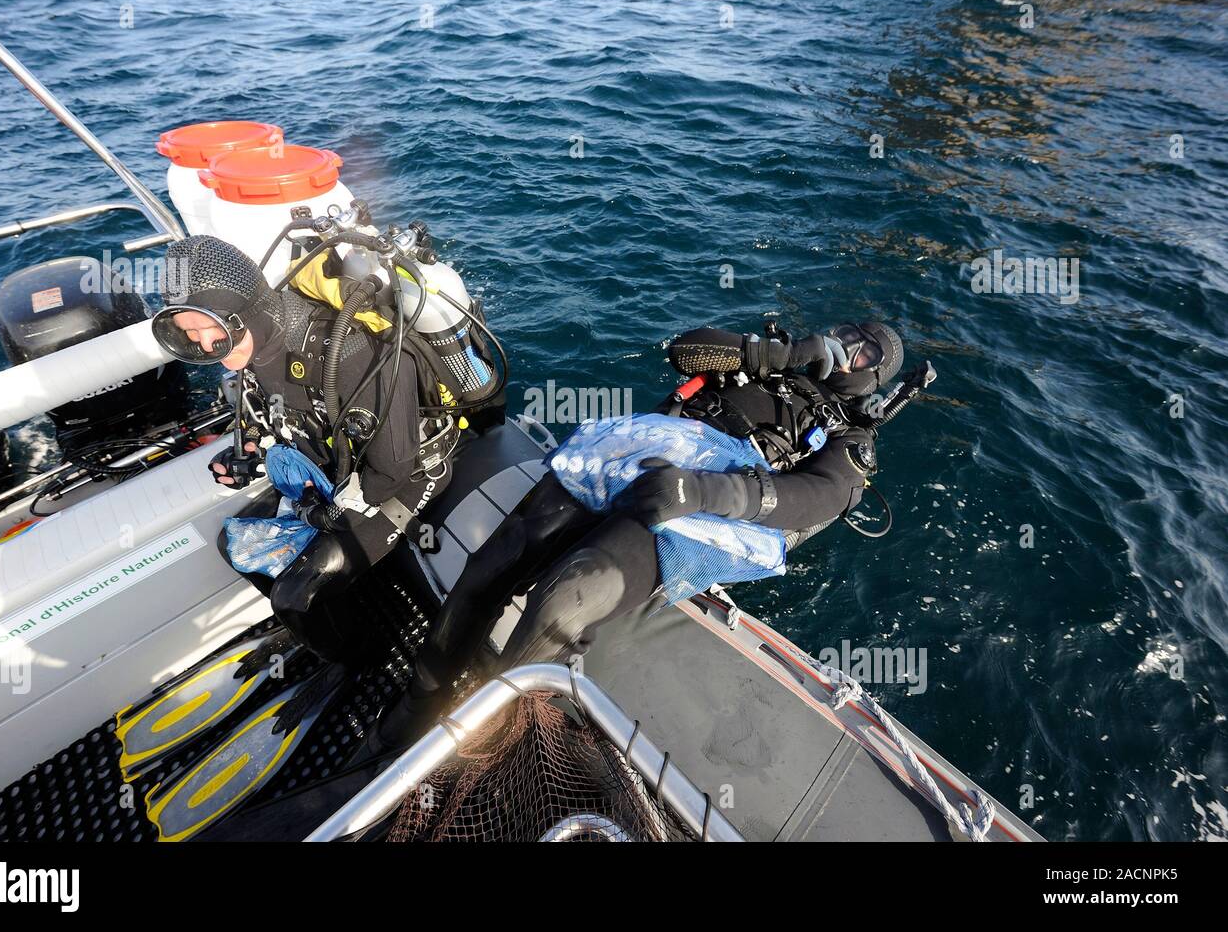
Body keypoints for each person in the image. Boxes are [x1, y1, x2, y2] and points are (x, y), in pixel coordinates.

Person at [364, 318, 904, 752]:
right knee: (491, 564)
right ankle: (418, 707)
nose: (848, 349)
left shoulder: (851, 437)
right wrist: (778, 356)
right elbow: (686, 351)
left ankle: (485, 744)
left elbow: (822, 495)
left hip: (699, 506)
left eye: (865, 355)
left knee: (563, 605)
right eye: (849, 335)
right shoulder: (773, 359)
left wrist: (705, 492)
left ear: (874, 381)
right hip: (635, 455)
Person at [154, 234, 460, 662]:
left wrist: (326, 515)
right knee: (235, 546)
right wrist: (249, 460)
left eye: (216, 331)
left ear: (249, 315)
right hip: (334, 473)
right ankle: (329, 632)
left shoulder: (344, 350)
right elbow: (281, 423)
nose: (209, 348)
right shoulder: (252, 351)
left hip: (406, 477)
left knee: (296, 595)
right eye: (192, 335)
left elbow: (392, 470)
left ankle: (363, 661)